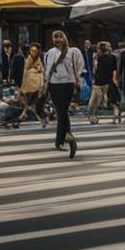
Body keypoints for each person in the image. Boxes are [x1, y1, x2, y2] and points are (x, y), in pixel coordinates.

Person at [43, 30, 82, 158]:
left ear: (64, 38)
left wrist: (77, 79)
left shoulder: (73, 52)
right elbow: (48, 69)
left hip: (68, 84)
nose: (58, 39)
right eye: (55, 37)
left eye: (60, 36)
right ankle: (66, 136)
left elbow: (78, 66)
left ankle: (62, 139)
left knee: (62, 111)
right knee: (61, 111)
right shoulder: (50, 53)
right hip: (55, 84)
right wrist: (45, 85)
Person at [88, 42, 121, 124]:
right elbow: (115, 70)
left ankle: (94, 117)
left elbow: (94, 70)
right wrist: (115, 79)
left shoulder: (97, 57)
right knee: (113, 100)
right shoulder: (113, 57)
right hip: (109, 80)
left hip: (99, 81)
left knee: (95, 101)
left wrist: (93, 78)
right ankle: (116, 115)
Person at [17, 43, 46, 127]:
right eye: (32, 50)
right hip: (28, 86)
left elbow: (41, 73)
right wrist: (22, 87)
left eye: (35, 51)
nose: (33, 52)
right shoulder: (28, 61)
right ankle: (23, 117)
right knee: (29, 104)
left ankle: (23, 117)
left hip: (37, 87)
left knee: (33, 105)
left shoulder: (39, 61)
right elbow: (25, 74)